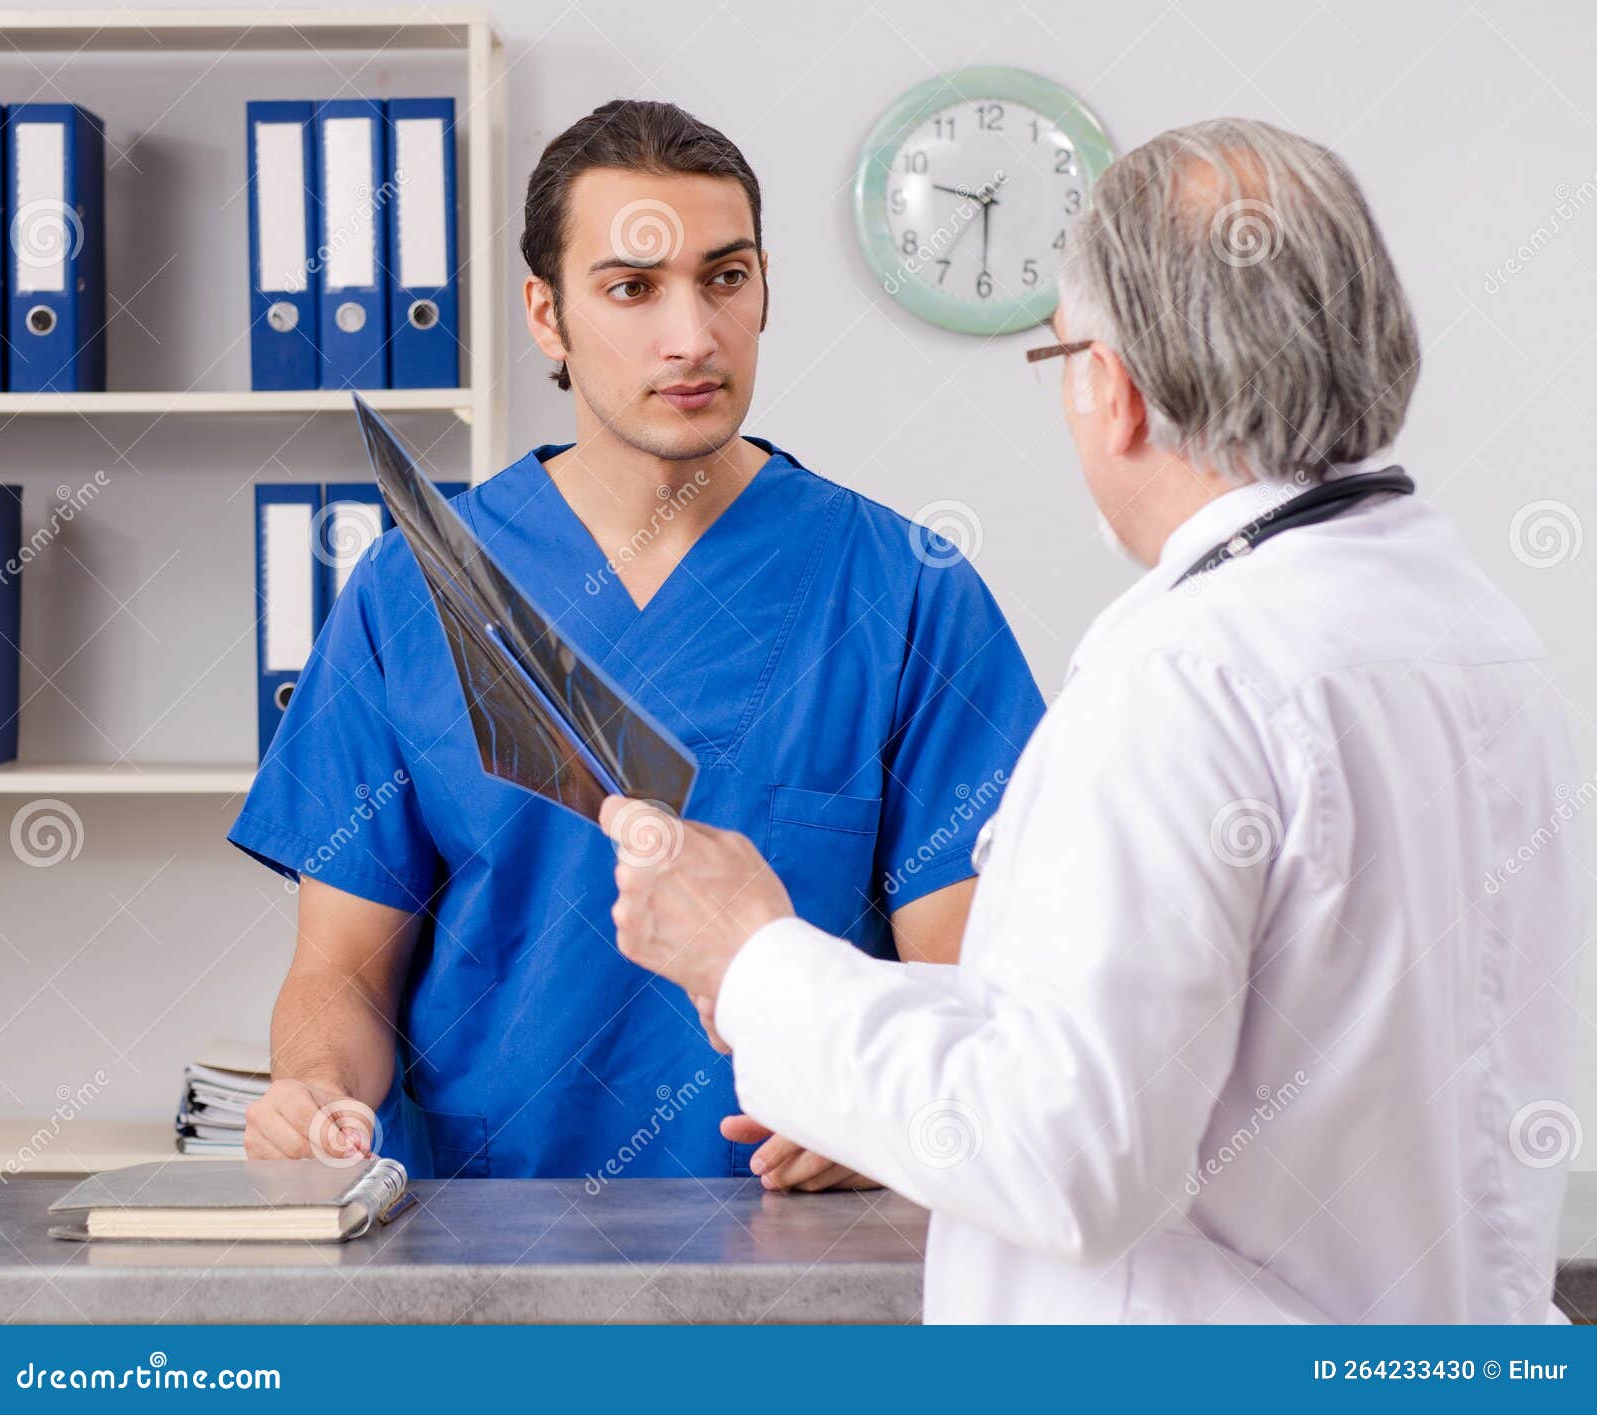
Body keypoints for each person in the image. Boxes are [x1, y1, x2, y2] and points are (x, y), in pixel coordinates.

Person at [603, 117, 1586, 1323]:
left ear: (1110, 388)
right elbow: (1216, 1031)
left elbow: (1070, 1155)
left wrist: (750, 956)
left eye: (1062, 355)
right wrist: (838, 1046)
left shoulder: (1192, 671)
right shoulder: (1467, 627)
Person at [228, 100, 1044, 1186]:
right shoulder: (411, 591)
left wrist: (889, 1114)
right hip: (479, 1254)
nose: (692, 338)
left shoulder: (904, 591)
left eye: (725, 277)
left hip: (808, 1257)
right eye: (631, 288)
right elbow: (344, 974)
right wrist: (317, 1090)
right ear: (547, 315)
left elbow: (974, 988)